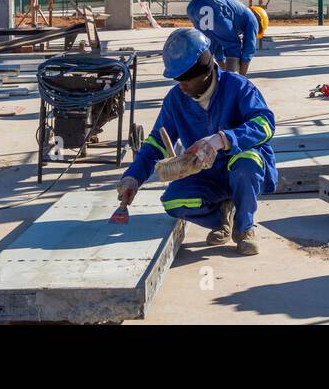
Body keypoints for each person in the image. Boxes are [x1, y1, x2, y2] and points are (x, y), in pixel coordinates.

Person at [116, 28, 276, 256]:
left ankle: (245, 227)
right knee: (173, 202)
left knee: (246, 164)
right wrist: (133, 177)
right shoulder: (175, 100)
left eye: (186, 79)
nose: (182, 86)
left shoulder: (239, 87)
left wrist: (222, 139)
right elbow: (156, 144)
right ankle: (221, 217)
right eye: (177, 79)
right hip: (205, 174)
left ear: (205, 70)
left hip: (239, 165)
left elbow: (265, 125)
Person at [184, 0, 267, 76]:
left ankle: (194, 78)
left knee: (206, 47)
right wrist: (242, 77)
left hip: (193, 6)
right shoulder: (253, 19)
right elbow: (249, 49)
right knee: (233, 45)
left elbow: (218, 41)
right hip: (215, 7)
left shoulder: (240, 12)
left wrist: (223, 68)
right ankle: (234, 82)